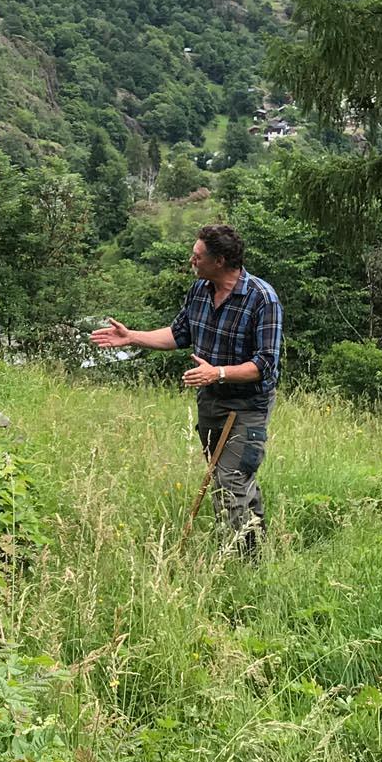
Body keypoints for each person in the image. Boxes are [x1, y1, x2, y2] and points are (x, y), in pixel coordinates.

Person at [90, 224, 280, 553]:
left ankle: (241, 562)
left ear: (219, 260)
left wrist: (218, 372)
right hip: (211, 401)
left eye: (197, 256)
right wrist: (132, 336)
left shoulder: (262, 298)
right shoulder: (199, 291)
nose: (191, 261)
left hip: (248, 406)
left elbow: (264, 364)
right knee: (232, 477)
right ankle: (256, 546)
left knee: (230, 481)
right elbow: (179, 334)